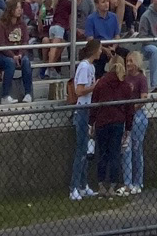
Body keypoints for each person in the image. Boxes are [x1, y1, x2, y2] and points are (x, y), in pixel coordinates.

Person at [89, 51, 131, 198]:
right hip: (118, 122)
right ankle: (113, 186)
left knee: (103, 154)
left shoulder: (102, 83)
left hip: (102, 121)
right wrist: (128, 127)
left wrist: (91, 122)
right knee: (115, 154)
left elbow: (94, 103)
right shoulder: (125, 85)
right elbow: (129, 108)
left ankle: (101, 185)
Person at [69, 37, 100, 202]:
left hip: (89, 110)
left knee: (87, 149)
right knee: (81, 149)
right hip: (82, 110)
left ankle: (83, 184)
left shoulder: (92, 68)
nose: (101, 51)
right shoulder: (84, 66)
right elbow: (79, 91)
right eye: (100, 49)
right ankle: (73, 186)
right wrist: (94, 87)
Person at [120, 51, 150, 195]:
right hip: (126, 116)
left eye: (131, 61)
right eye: (127, 61)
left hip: (137, 117)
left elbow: (143, 98)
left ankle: (138, 181)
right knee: (126, 149)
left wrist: (132, 108)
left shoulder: (141, 78)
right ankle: (128, 182)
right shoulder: (124, 78)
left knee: (137, 149)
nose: (128, 63)